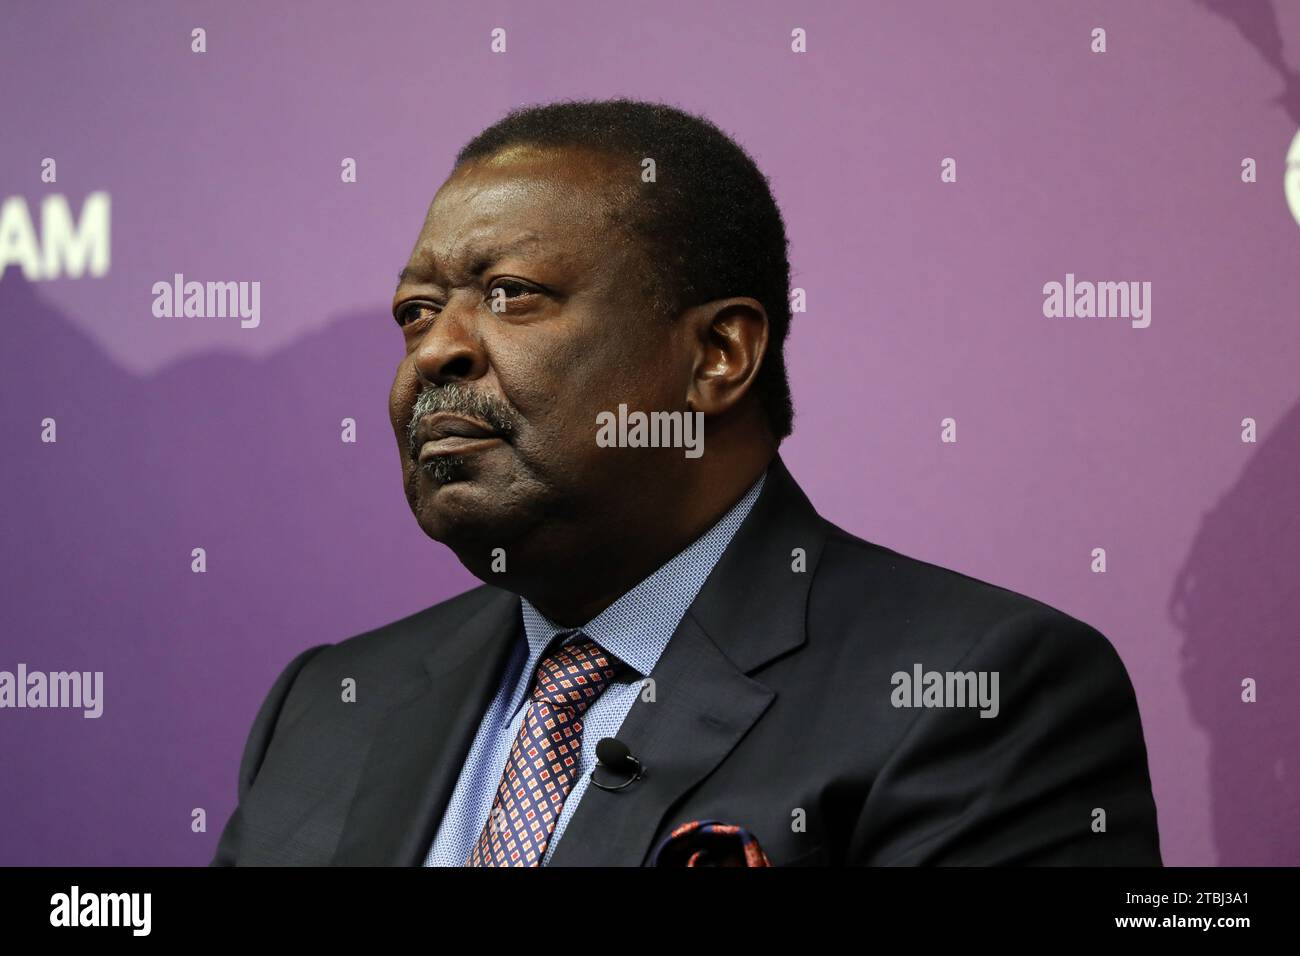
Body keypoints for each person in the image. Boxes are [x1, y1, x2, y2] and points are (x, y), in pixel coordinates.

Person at [211, 98, 1161, 867]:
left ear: (717, 354)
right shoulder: (332, 701)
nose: (438, 352)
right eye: (417, 313)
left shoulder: (974, 693)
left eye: (512, 298)